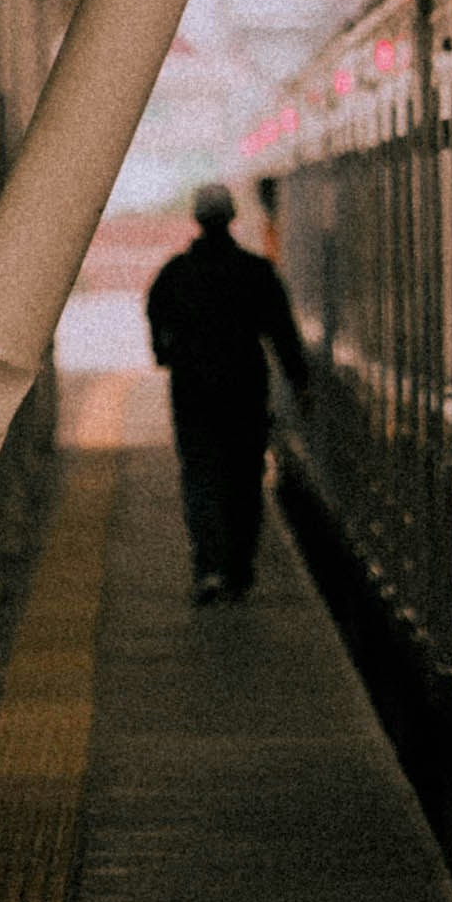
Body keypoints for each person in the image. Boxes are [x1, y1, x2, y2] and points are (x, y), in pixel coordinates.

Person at [146, 181, 309, 603]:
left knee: (200, 476)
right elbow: (282, 333)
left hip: (193, 391)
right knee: (243, 479)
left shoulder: (177, 273)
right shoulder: (255, 271)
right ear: (232, 218)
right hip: (245, 391)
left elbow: (155, 312)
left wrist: (164, 352)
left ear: (197, 220)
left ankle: (208, 567)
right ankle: (238, 568)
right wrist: (300, 381)